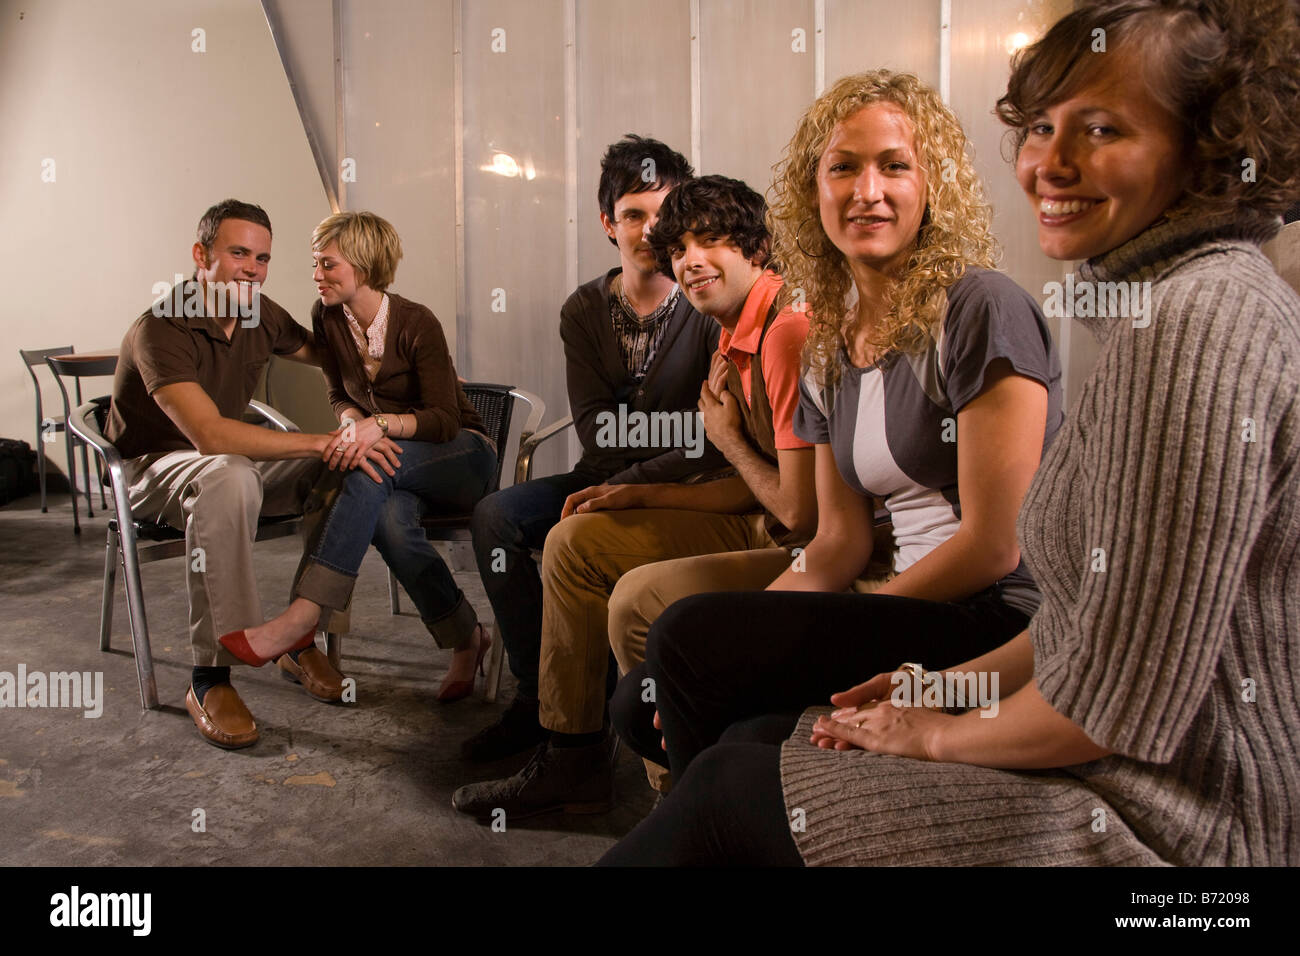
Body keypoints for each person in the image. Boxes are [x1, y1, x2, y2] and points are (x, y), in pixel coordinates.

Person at [601, 0, 1300, 866]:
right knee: (711, 709)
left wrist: (932, 731)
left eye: (1102, 128)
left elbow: (1102, 687)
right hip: (1073, 720)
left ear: (1207, 145)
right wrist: (935, 687)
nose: (1050, 162)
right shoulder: (1149, 309)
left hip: (1180, 824)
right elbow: (1074, 619)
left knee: (723, 785)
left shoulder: (1191, 318)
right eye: (1041, 128)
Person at [452, 175, 816, 819]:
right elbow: (604, 432)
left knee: (631, 595)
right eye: (679, 248)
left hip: (804, 540)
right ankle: (570, 750)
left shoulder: (781, 331)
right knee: (569, 537)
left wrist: (721, 441)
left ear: (756, 248)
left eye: (710, 240)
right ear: (609, 225)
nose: (690, 259)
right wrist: (634, 494)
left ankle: (671, 796)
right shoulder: (720, 333)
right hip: (731, 502)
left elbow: (790, 506)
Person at [461, 136, 723, 761]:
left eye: (664, 214)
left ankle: (592, 706)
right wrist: (671, 430)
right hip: (599, 472)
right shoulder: (584, 308)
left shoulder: (707, 300)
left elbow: (714, 440)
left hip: (684, 490)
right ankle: (534, 695)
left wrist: (642, 466)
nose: (650, 230)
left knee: (582, 532)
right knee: (495, 517)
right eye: (634, 214)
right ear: (609, 223)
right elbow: (596, 432)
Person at [105, 199, 399, 749]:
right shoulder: (160, 328)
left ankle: (300, 636)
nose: (252, 269)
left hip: (227, 465)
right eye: (238, 253)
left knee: (340, 467)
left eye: (262, 258)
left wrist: (373, 339)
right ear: (201, 255)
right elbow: (210, 437)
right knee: (232, 474)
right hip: (151, 474)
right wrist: (316, 436)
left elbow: (331, 355)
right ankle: (210, 676)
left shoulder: (259, 314)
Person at [218, 211, 498, 703]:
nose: (316, 275)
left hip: (459, 456)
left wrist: (379, 426)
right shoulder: (326, 317)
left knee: (364, 468)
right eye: (315, 264)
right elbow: (337, 394)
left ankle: (303, 618)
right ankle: (466, 638)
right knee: (389, 521)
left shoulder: (417, 322)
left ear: (364, 268)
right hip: (392, 465)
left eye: (328, 264)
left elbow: (444, 419)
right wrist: (353, 422)